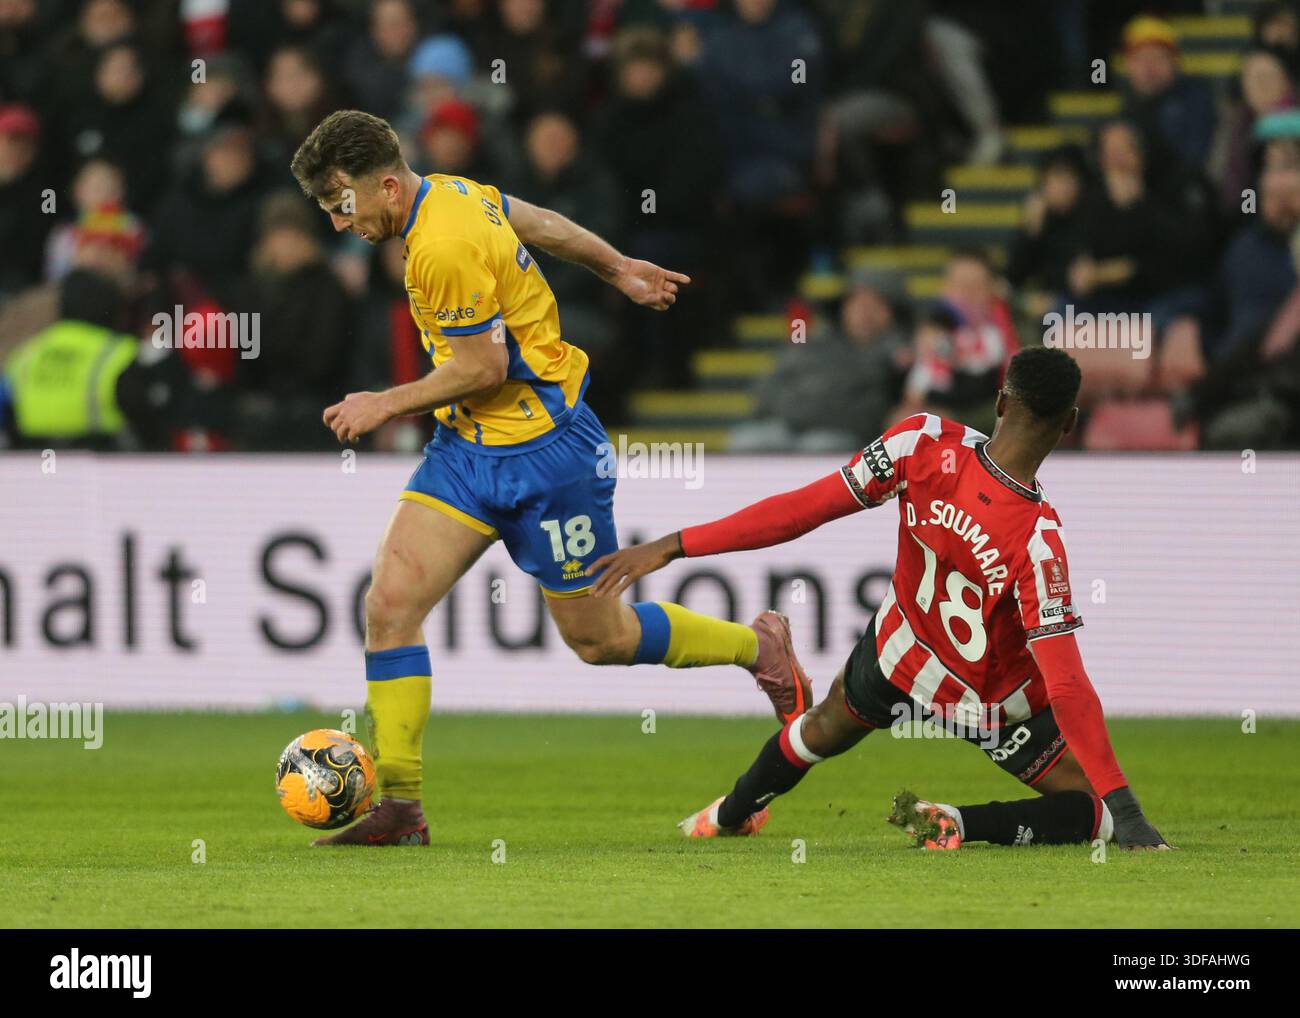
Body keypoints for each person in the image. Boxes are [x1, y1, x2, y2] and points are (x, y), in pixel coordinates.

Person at [288, 109, 810, 846]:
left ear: (384, 183)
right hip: (468, 452)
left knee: (600, 639)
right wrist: (617, 265)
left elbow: (483, 366)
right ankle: (401, 807)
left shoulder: (441, 246)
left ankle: (760, 649)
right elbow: (537, 220)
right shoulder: (450, 192)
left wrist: (385, 402)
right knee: (391, 605)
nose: (340, 223)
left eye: (342, 204)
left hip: (548, 459)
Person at [588, 347, 1170, 851]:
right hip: (988, 702)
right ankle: (963, 825)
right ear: (1068, 424)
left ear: (1000, 403)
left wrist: (674, 545)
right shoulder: (1040, 542)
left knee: (818, 731)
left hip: (899, 650)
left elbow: (801, 511)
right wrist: (1129, 812)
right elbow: (1067, 684)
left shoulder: (921, 443)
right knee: (1095, 814)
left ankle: (727, 816)